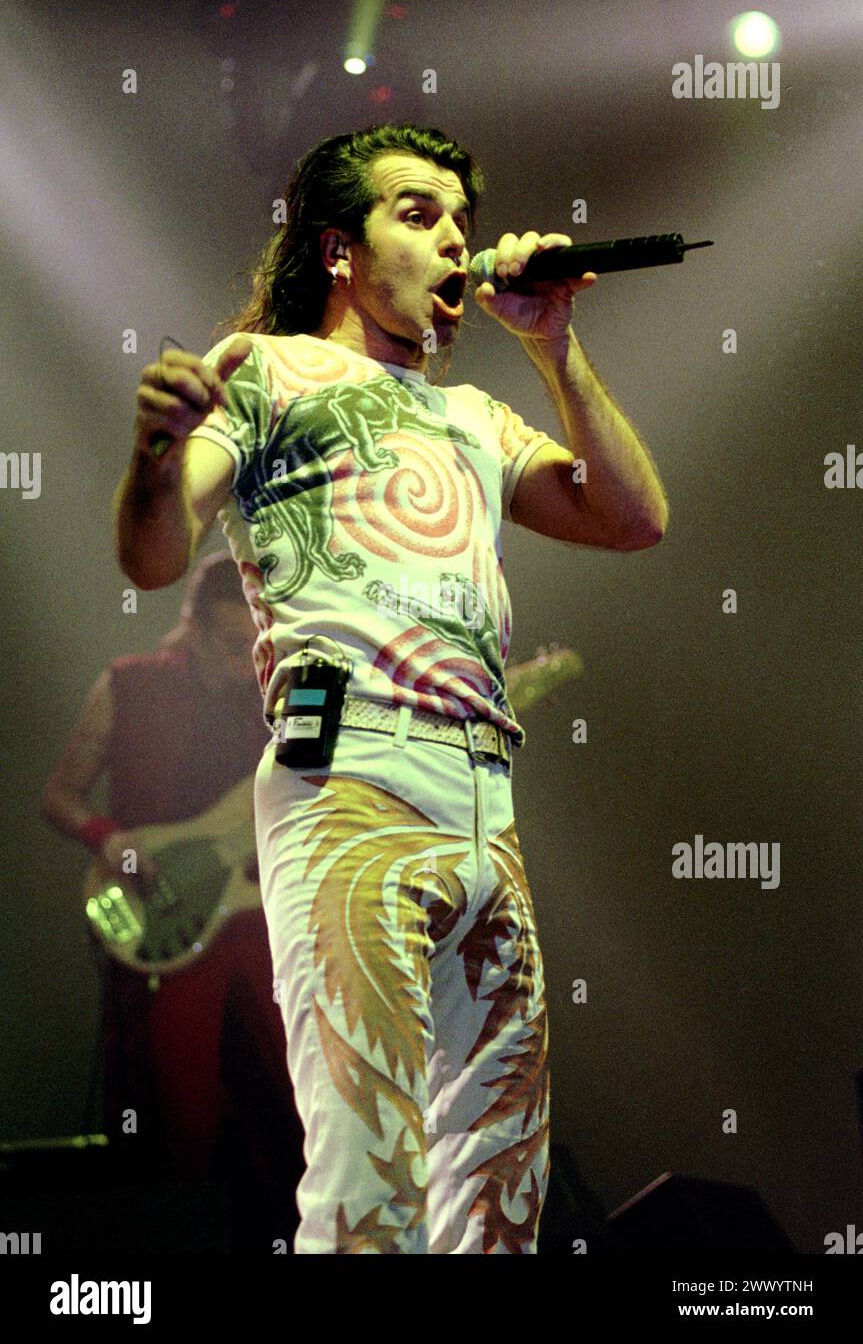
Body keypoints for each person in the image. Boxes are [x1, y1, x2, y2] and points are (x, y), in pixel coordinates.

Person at [114, 122, 669, 1254]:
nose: (454, 240)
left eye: (460, 221)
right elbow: (154, 557)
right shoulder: (268, 372)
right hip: (349, 779)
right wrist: (156, 455)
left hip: (484, 802)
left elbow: (632, 517)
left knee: (501, 1190)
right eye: (416, 215)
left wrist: (554, 347)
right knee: (371, 1177)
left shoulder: (474, 417)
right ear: (336, 249)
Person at [40, 550, 306, 1251]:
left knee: (299, 1101)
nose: (238, 663)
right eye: (225, 646)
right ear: (189, 626)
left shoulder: (282, 693)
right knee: (183, 1120)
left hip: (257, 919)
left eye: (251, 647)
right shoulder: (127, 686)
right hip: (168, 927)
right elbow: (59, 795)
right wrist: (107, 837)